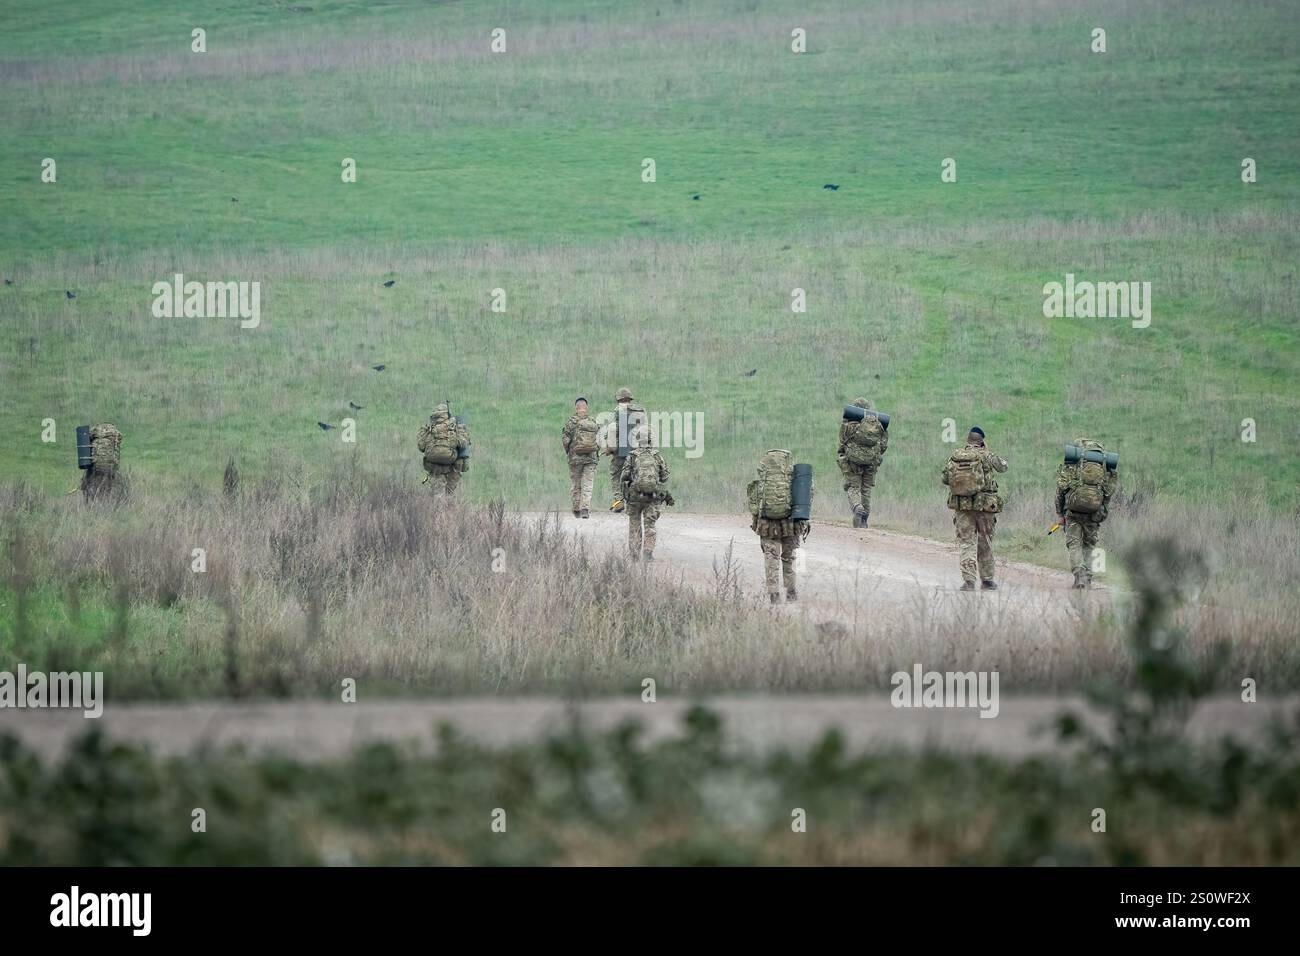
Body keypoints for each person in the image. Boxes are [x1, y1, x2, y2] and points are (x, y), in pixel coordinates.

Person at [941, 426, 1007, 591]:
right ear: (982, 441)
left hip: (963, 506)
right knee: (985, 542)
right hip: (985, 506)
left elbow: (944, 478)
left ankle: (969, 581)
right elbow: (1003, 467)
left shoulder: (956, 456)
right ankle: (987, 580)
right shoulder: (987, 455)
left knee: (966, 543)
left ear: (968, 441)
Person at [1054, 437, 1119, 589]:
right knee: (1090, 545)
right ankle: (1088, 578)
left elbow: (1060, 490)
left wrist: (1059, 514)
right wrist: (1102, 509)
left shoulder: (1073, 467)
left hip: (1073, 512)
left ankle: (1079, 576)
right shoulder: (1105, 470)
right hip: (1094, 514)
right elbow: (1109, 493)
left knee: (1074, 544)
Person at [748, 449, 810, 604]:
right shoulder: (795, 480)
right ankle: (791, 591)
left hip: (768, 525)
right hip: (791, 524)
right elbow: (806, 501)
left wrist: (757, 521)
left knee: (771, 557)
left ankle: (774, 594)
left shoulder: (762, 483)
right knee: (790, 557)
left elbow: (754, 508)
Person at [619, 425, 671, 561]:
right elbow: (664, 477)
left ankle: (634, 554)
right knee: (650, 524)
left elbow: (624, 476)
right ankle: (648, 553)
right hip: (652, 497)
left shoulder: (632, 456)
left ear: (637, 440)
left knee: (634, 524)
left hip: (634, 497)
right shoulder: (657, 456)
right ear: (650, 439)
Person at [837, 397, 888, 528]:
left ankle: (857, 507)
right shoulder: (878, 424)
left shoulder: (848, 425)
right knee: (866, 489)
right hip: (871, 462)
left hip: (853, 462)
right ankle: (864, 519)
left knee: (853, 487)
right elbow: (883, 445)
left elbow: (842, 442)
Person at [603, 387, 646, 513]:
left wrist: (609, 448)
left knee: (616, 475)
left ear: (618, 399)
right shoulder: (640, 411)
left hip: (620, 453)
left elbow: (613, 430)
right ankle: (636, 502)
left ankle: (618, 502)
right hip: (638, 452)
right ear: (630, 399)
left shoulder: (618, 411)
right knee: (635, 475)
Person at [417, 403, 469, 498]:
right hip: (451, 467)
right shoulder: (453, 427)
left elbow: (421, 447)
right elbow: (463, 444)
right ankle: (449, 508)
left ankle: (436, 509)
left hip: (434, 467)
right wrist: (461, 429)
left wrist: (423, 430)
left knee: (437, 495)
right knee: (449, 495)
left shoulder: (430, 428)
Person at [561, 396, 599, 518]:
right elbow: (598, 440)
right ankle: (585, 509)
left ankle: (576, 508)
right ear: (586, 407)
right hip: (591, 458)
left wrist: (569, 452)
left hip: (575, 459)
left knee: (575, 484)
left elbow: (565, 441)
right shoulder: (593, 422)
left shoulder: (571, 422)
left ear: (576, 407)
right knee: (588, 483)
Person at [80, 422, 123, 502]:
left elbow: (85, 439)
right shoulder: (115, 433)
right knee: (111, 484)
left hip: (95, 465)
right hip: (109, 467)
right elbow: (120, 439)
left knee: (88, 482)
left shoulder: (94, 432)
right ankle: (108, 501)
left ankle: (91, 502)